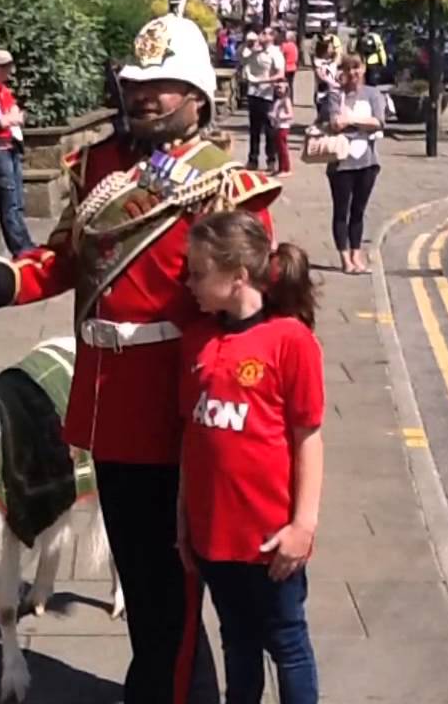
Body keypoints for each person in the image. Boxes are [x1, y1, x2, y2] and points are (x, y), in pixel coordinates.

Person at [0, 13, 282, 704]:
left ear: (196, 97)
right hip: (106, 405)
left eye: (163, 86)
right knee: (137, 568)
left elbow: (251, 304)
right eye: (137, 84)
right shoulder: (98, 165)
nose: (145, 97)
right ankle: (155, 683)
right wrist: (2, 280)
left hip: (178, 409)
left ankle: (180, 693)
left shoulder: (221, 183)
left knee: (178, 583)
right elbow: (66, 258)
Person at [180, 209, 324, 704]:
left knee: (287, 643)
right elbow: (192, 436)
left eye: (198, 273)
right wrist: (185, 522)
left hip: (270, 539)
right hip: (212, 536)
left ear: (238, 276)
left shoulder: (290, 341)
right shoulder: (199, 339)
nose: (189, 283)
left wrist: (302, 527)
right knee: (236, 642)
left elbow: (308, 439)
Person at [320, 55, 385, 274]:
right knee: (341, 211)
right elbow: (334, 123)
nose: (354, 73)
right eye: (349, 69)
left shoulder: (373, 94)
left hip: (367, 161)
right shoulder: (335, 94)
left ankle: (357, 255)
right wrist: (355, 123)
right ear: (343, 72)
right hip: (341, 163)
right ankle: (345, 259)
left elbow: (378, 122)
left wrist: (351, 121)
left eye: (357, 68)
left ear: (364, 69)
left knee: (359, 211)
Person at [0, 48, 35, 256]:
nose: (6, 71)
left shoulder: (3, 89)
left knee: (17, 200)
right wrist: (12, 117)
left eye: (8, 66)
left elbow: (17, 114)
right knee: (9, 201)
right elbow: (1, 121)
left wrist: (13, 117)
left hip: (10, 146)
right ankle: (21, 249)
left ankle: (26, 246)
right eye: (2, 67)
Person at [243, 27, 285, 172]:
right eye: (261, 33)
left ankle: (271, 160)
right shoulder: (254, 50)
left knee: (269, 130)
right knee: (254, 129)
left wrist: (264, 80)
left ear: (272, 38)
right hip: (253, 93)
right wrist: (247, 45)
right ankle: (252, 160)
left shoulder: (275, 53)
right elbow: (242, 60)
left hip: (268, 94)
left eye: (265, 33)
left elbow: (281, 73)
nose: (262, 35)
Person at [270, 81, 294, 176]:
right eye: (277, 88)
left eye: (281, 88)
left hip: (283, 127)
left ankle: (286, 169)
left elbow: (291, 114)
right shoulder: (278, 100)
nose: (278, 90)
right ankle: (280, 168)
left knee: (282, 148)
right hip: (277, 126)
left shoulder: (286, 100)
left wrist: (281, 116)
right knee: (278, 148)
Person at [311, 38, 339, 111]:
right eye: (331, 47)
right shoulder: (318, 62)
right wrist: (333, 83)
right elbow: (320, 76)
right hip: (322, 92)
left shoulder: (333, 62)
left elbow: (336, 75)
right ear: (325, 49)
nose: (332, 49)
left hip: (333, 92)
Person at [277, 27, 300, 105]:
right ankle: (291, 100)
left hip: (286, 68)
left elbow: (279, 55)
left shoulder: (285, 45)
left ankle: (284, 100)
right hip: (293, 67)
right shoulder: (294, 46)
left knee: (283, 85)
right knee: (290, 84)